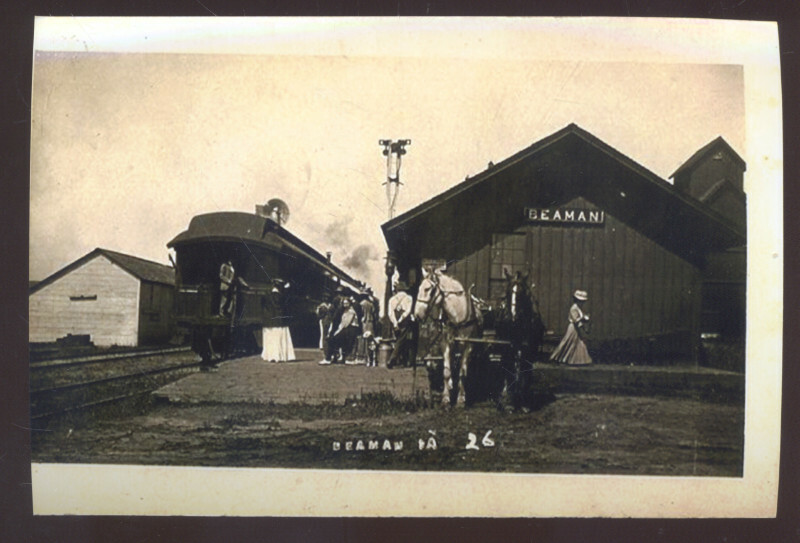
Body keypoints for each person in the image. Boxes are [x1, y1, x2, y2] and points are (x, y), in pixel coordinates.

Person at [549, 289, 592, 366]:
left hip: (577, 328)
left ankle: (579, 360)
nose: (582, 303)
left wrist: (585, 318)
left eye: (583, 301)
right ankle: (558, 357)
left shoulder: (578, 308)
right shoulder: (574, 308)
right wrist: (583, 320)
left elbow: (581, 317)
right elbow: (576, 320)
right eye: (580, 301)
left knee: (579, 343)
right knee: (568, 342)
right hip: (573, 328)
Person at [261, 279, 296, 362]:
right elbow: (286, 305)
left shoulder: (266, 295)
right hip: (280, 322)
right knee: (279, 340)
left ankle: (270, 356)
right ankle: (279, 356)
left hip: (268, 322)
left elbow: (262, 306)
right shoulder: (281, 296)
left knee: (270, 339)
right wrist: (287, 290)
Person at [387, 281, 418, 368]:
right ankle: (392, 359)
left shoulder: (392, 299)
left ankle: (402, 360)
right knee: (401, 340)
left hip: (395, 320)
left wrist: (395, 323)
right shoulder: (409, 298)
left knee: (399, 339)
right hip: (405, 321)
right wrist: (401, 320)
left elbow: (390, 313)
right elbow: (408, 311)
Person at [330, 297, 360, 364]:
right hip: (345, 328)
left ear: (350, 303)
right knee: (336, 339)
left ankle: (346, 357)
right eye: (344, 303)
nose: (345, 304)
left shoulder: (351, 311)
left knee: (341, 339)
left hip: (351, 328)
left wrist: (338, 330)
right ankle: (337, 356)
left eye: (347, 303)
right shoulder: (344, 310)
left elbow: (347, 322)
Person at [357, 288, 378, 366]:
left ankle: (366, 358)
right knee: (372, 340)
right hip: (371, 322)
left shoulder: (361, 304)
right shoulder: (371, 304)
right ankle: (373, 359)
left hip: (364, 322)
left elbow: (360, 314)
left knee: (365, 340)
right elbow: (374, 314)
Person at [315, 294, 334, 363]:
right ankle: (331, 355)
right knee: (330, 338)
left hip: (325, 322)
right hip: (331, 321)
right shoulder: (331, 306)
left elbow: (319, 315)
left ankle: (327, 357)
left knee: (325, 338)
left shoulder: (322, 307)